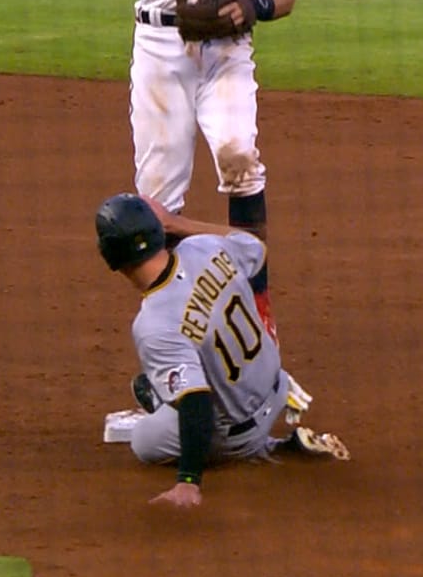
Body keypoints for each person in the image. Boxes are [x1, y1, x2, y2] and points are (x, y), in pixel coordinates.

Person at [7, 0, 302, 338]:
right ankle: (175, 329)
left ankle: (257, 313)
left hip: (227, 54)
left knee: (240, 155)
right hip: (160, 50)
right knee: (155, 205)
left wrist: (253, 7)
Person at [94, 192, 346, 509]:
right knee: (186, 367)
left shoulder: (154, 324)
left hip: (237, 434)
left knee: (144, 440)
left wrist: (188, 482)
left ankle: (266, 447)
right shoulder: (204, 246)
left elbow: (197, 405)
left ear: (111, 257)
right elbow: (254, 246)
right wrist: (177, 222)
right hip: (278, 387)